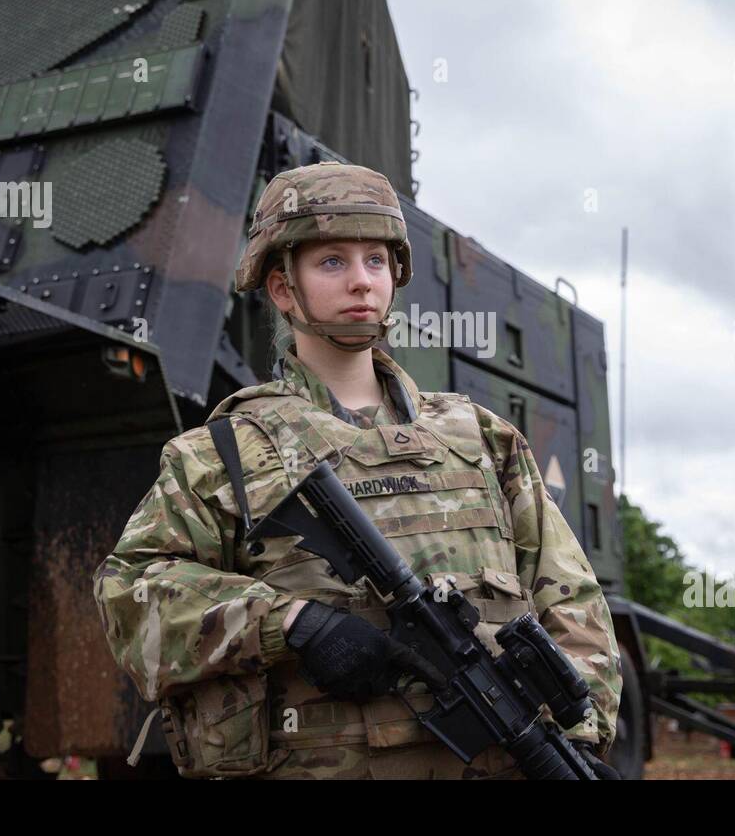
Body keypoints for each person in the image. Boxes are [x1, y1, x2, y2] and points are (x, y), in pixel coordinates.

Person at [93, 160, 622, 779]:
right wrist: (290, 623)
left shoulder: (481, 438)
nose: (361, 283)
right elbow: (129, 596)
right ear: (283, 288)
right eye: (332, 262)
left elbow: (573, 601)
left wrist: (580, 736)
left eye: (376, 260)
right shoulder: (219, 455)